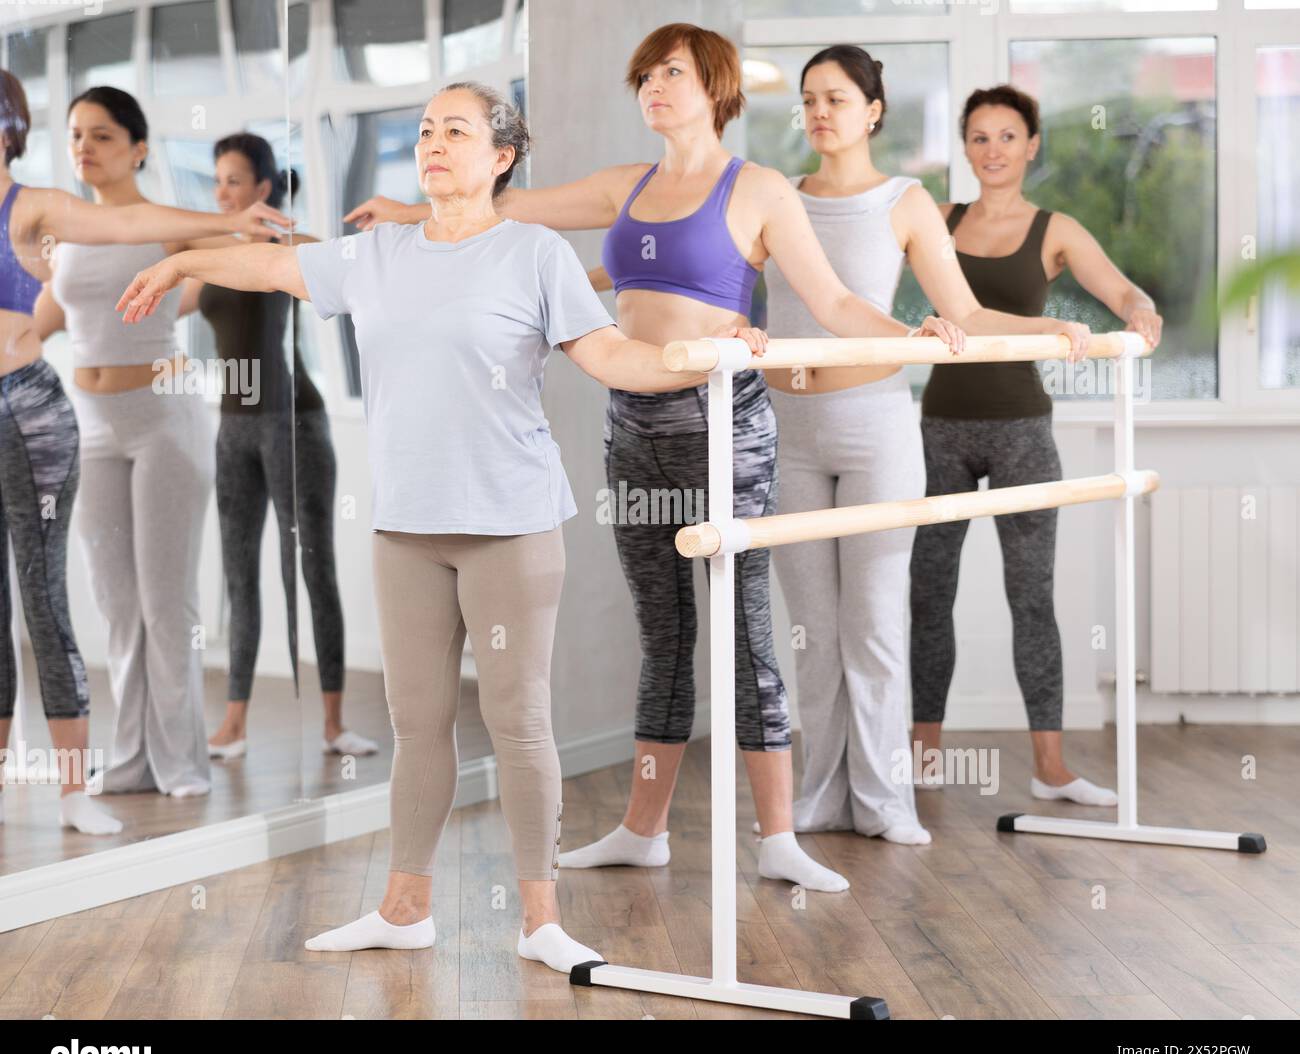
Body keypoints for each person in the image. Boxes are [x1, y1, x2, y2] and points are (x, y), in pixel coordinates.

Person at [115, 81, 760, 973]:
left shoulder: (533, 252)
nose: (433, 143)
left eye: (456, 130)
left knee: (518, 720)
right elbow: (266, 267)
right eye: (425, 131)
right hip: (406, 527)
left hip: (511, 522)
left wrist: (704, 358)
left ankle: (540, 921)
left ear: (501, 157)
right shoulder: (376, 253)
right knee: (418, 723)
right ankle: (404, 905)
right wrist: (182, 263)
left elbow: (607, 354)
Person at [346, 24, 965, 893]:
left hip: (724, 425)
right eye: (644, 76)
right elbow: (508, 208)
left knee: (747, 632)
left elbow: (830, 299)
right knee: (664, 634)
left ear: (713, 85)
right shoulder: (622, 187)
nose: (653, 88)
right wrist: (409, 215)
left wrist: (918, 336)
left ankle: (779, 834)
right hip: (632, 427)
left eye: (671, 72)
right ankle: (644, 828)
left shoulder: (759, 189)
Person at [760, 47, 1091, 843]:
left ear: (873, 110)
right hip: (789, 433)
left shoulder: (907, 202)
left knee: (872, 624)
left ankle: (884, 799)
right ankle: (819, 795)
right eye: (808, 99)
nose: (818, 112)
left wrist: (1055, 324)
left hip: (873, 430)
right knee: (810, 629)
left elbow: (966, 315)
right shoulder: (775, 197)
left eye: (836, 98)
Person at [0, 70, 287, 832]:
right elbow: (45, 317)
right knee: (115, 602)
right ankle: (128, 757)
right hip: (88, 423)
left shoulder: (159, 222)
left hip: (163, 417)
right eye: (75, 136)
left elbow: (249, 241)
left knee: (167, 601)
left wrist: (284, 235)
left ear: (138, 149)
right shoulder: (66, 236)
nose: (84, 148)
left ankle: (181, 758)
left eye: (102, 135)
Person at [909, 84, 1162, 802]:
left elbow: (1121, 292)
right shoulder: (936, 219)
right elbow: (859, 278)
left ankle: (1050, 768)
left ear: (1032, 144)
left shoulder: (1054, 229)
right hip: (942, 429)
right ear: (965, 146)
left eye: (1008, 136)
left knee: (1031, 599)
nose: (994, 149)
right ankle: (923, 760)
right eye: (980, 137)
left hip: (1022, 428)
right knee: (929, 595)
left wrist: (1142, 313)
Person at [179, 131, 374, 762]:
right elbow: (167, 298)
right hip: (232, 428)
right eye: (217, 180)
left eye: (234, 180)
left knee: (313, 569)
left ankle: (334, 724)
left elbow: (344, 266)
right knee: (239, 575)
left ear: (263, 189)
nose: (222, 191)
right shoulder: (215, 253)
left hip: (296, 423)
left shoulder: (285, 250)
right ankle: (232, 724)